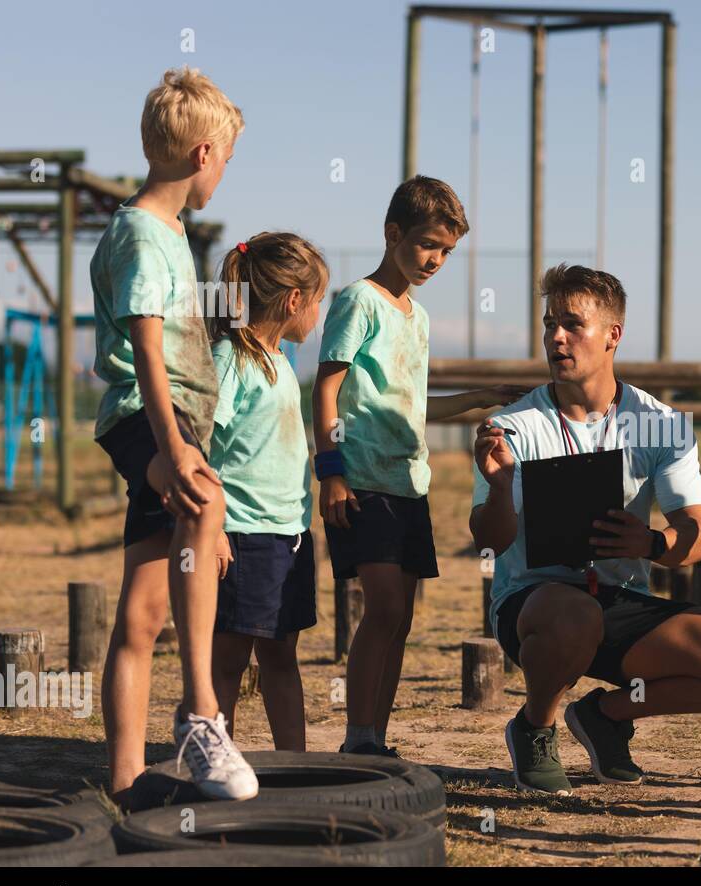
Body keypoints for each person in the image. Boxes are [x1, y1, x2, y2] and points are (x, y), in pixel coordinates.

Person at [470, 263, 701, 796]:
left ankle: (604, 715)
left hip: (619, 601)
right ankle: (534, 727)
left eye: (572, 323)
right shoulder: (513, 427)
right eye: (548, 323)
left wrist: (651, 544)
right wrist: (498, 488)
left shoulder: (660, 424)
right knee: (574, 612)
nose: (555, 337)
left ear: (613, 335)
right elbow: (489, 543)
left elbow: (697, 536)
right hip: (533, 606)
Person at [312, 175, 523, 756]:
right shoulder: (358, 301)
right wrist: (329, 469)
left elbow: (416, 405)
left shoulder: (419, 318)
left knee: (402, 618)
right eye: (429, 244)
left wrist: (484, 398)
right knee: (380, 609)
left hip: (410, 484)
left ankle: (374, 740)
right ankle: (355, 737)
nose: (436, 259)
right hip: (361, 482)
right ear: (393, 233)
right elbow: (325, 388)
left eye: (448, 251)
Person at [92, 67, 256, 802]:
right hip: (143, 416)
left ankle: (125, 780)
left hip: (168, 423)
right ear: (202, 155)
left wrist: (198, 493)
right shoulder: (138, 234)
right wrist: (176, 452)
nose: (223, 173)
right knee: (202, 494)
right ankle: (201, 715)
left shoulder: (168, 233)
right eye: (226, 158)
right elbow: (150, 353)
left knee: (143, 610)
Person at [208, 232, 328, 752]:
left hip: (290, 538)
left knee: (281, 655)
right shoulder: (230, 359)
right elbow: (199, 444)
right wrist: (211, 529)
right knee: (227, 661)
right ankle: (215, 763)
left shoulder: (280, 362)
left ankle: (295, 767)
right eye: (319, 299)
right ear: (294, 300)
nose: (320, 312)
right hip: (241, 537)